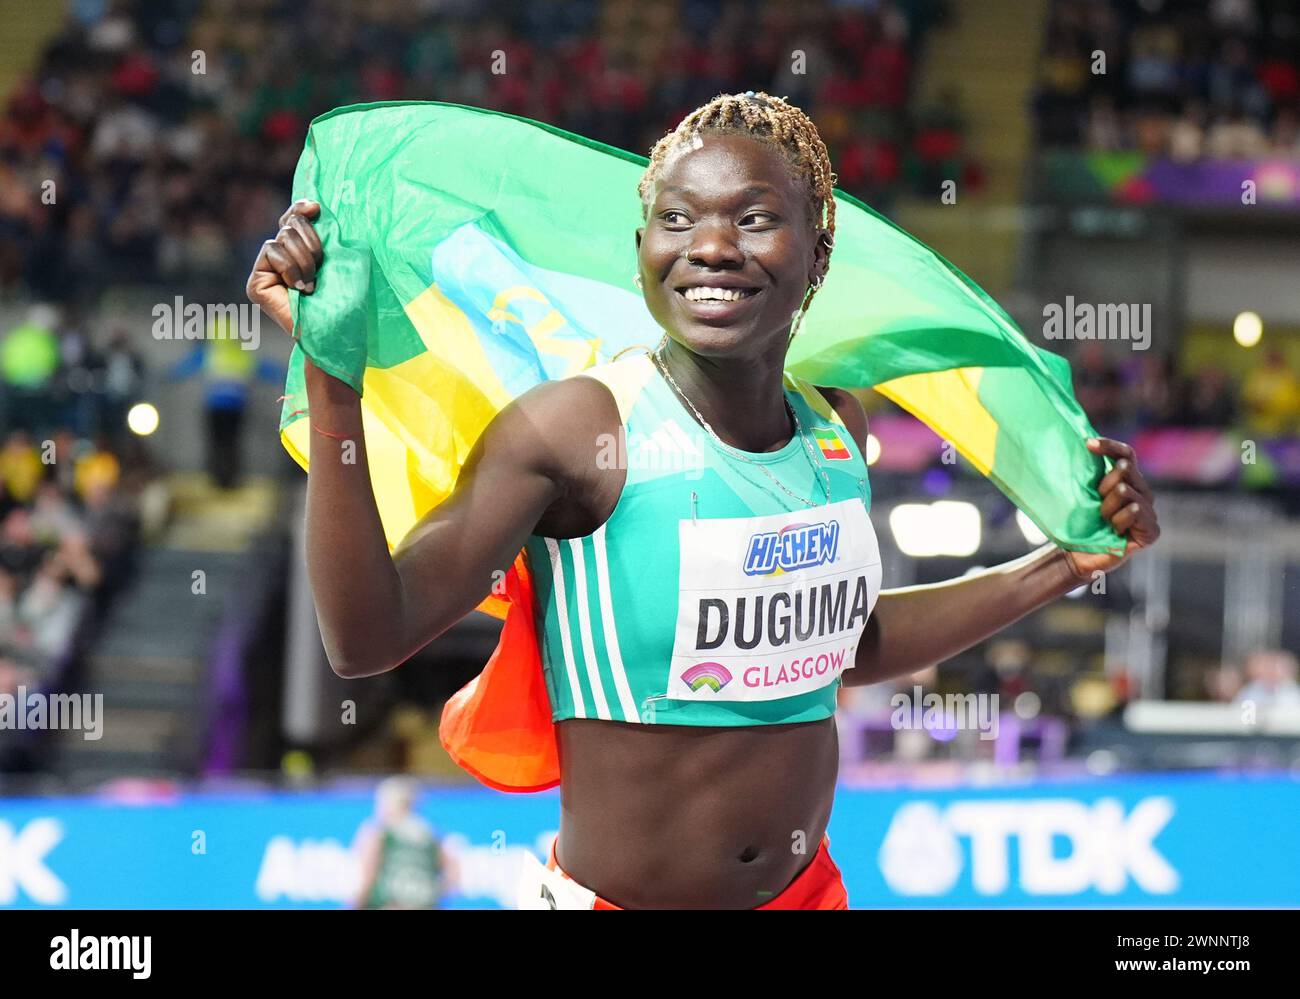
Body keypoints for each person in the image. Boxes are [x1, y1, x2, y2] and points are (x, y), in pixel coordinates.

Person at [247, 92, 1160, 910]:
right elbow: (367, 639)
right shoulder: (577, 428)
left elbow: (839, 647)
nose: (711, 247)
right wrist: (335, 382)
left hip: (807, 895)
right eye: (676, 220)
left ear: (819, 251)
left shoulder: (837, 429)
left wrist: (1060, 566)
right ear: (642, 249)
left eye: (756, 219)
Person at [352, 777, 452, 910]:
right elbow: (452, 873)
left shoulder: (379, 832)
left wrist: (355, 903)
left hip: (391, 904)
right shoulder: (431, 832)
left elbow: (368, 875)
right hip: (426, 904)